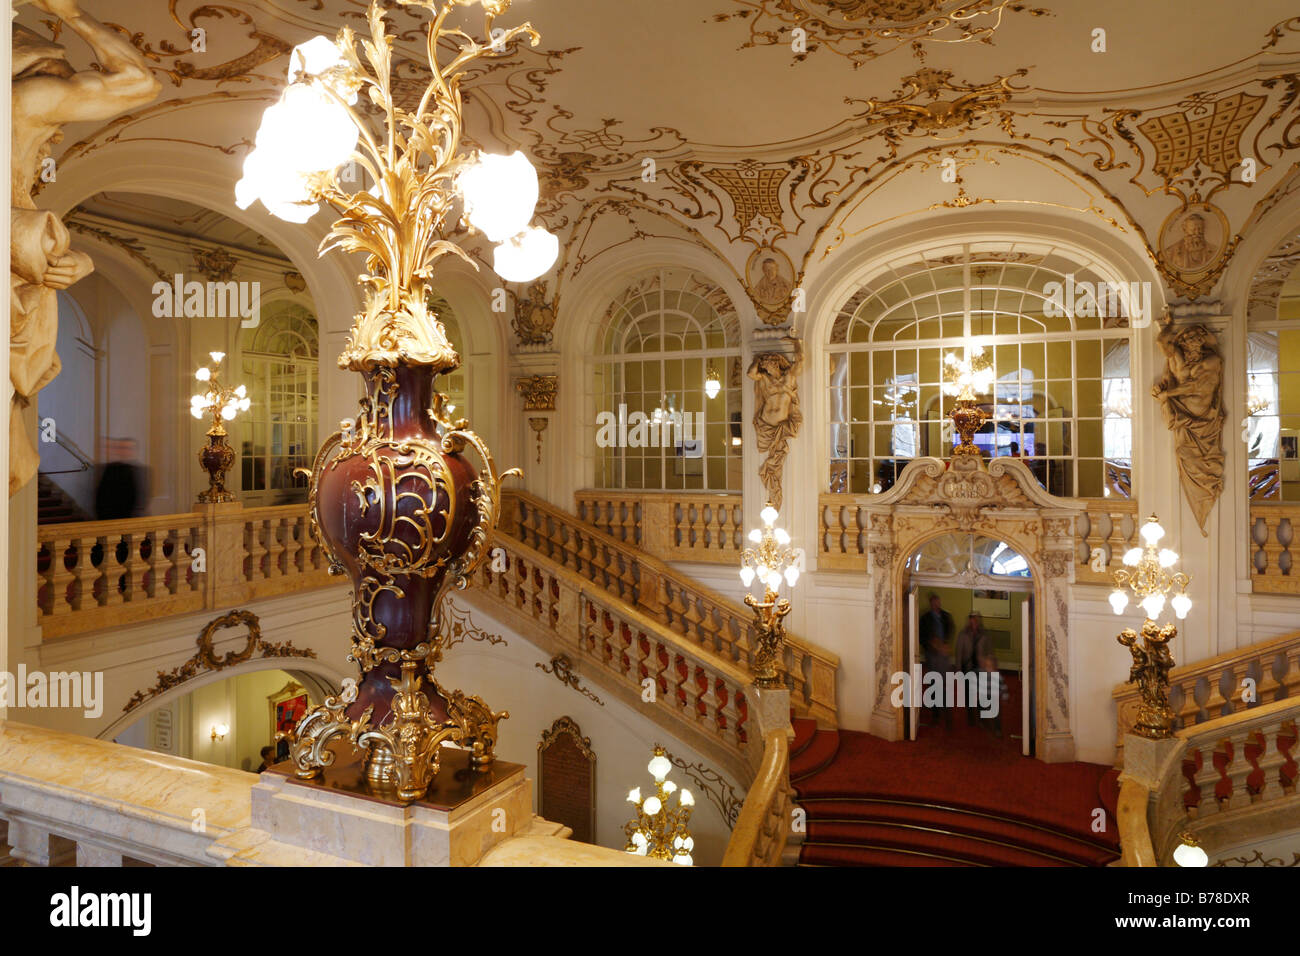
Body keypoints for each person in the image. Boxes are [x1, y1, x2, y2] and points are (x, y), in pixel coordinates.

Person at [918, 593, 954, 729]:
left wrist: (945, 643)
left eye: (938, 602)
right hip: (932, 655)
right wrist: (931, 643)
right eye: (934, 603)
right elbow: (920, 636)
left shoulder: (946, 616)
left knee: (945, 684)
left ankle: (946, 711)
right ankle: (935, 714)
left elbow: (951, 629)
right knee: (933, 683)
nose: (936, 605)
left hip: (944, 655)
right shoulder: (925, 618)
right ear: (931, 603)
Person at [94, 437, 147, 520]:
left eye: (129, 448)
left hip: (135, 520)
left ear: (135, 450)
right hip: (112, 520)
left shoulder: (143, 471)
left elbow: (143, 499)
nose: (125, 451)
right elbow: (102, 498)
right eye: (122, 448)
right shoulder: (110, 469)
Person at [954, 612, 985, 726]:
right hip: (968, 668)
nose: (973, 622)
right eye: (971, 620)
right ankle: (971, 716)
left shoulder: (983, 634)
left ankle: (981, 717)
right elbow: (958, 653)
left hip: (980, 669)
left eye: (975, 620)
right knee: (969, 694)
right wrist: (958, 670)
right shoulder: (963, 634)